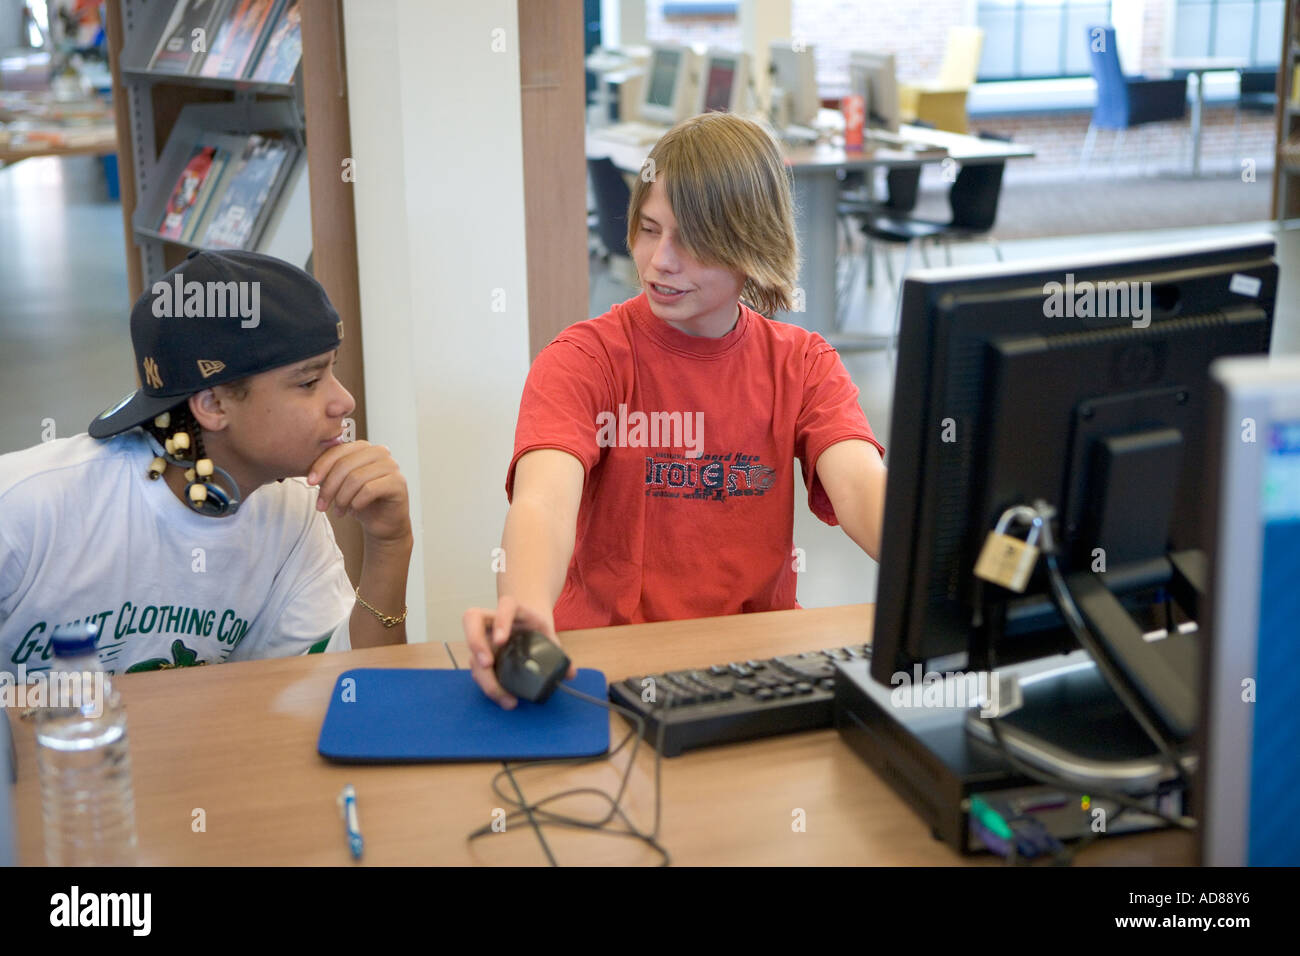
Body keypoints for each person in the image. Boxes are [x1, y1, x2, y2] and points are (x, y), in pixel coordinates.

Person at [464, 112, 888, 707]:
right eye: (647, 229)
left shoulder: (803, 362)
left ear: (751, 244)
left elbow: (863, 489)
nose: (660, 260)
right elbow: (543, 501)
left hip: (757, 667)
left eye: (691, 240)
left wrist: (946, 564)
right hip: (613, 667)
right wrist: (527, 608)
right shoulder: (584, 358)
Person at [0, 250, 412, 675]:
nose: (345, 401)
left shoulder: (292, 511)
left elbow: (350, 690)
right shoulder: (27, 505)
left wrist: (389, 546)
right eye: (309, 381)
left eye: (333, 371)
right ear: (213, 404)